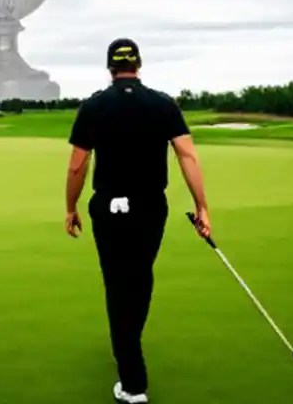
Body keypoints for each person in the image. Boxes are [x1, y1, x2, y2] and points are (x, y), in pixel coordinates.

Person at [64, 37, 212, 404]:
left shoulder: (94, 106)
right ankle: (128, 345)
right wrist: (202, 207)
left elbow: (78, 164)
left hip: (108, 208)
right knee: (140, 277)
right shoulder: (162, 104)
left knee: (117, 283)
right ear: (139, 65)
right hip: (151, 208)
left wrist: (71, 207)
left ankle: (132, 381)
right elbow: (187, 157)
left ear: (110, 67)